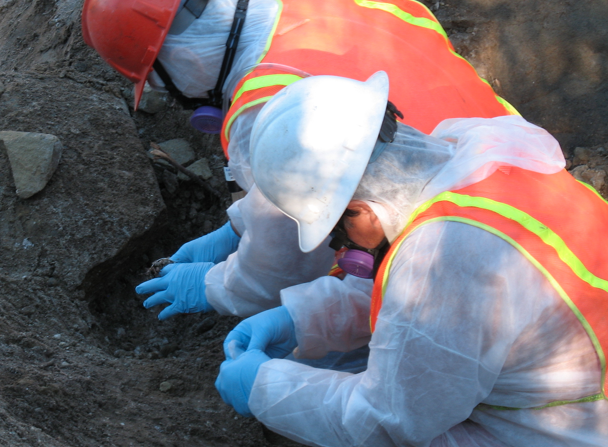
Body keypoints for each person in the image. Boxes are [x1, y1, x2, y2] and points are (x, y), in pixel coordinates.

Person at [214, 72, 608, 445]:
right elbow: (431, 310)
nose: (341, 247)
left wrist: (264, 388)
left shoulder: (445, 258)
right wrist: (303, 320)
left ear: (361, 211)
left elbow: (386, 422)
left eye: (337, 230)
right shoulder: (482, 154)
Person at [82, 0, 518, 320]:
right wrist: (239, 223)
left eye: (158, 81)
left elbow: (290, 267)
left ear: (186, 59)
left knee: (315, 341)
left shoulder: (263, 110)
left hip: (459, 259)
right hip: (516, 172)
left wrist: (214, 286)